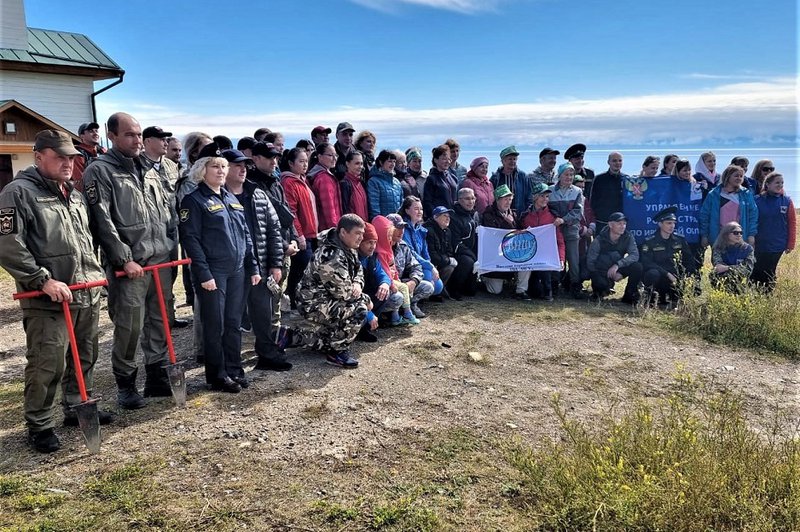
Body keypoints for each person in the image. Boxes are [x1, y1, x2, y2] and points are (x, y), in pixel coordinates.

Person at [0, 130, 113, 453]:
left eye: (71, 158)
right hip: (47, 298)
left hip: (84, 291)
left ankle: (77, 407)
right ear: (39, 157)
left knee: (85, 356)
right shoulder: (17, 193)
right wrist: (40, 280)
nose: (68, 163)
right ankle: (40, 424)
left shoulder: (73, 194)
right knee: (48, 362)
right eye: (60, 157)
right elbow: (8, 244)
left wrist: (94, 275)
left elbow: (84, 242)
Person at [82, 112, 175, 409]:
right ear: (112, 136)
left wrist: (169, 246)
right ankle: (126, 383)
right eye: (130, 135)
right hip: (131, 267)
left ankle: (157, 376)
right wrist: (123, 259)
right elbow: (102, 220)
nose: (136, 140)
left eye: (138, 134)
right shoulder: (101, 171)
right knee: (129, 326)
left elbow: (163, 211)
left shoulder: (147, 169)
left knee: (159, 320)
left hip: (158, 259)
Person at [179, 154, 260, 392]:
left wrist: (252, 266)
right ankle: (217, 375)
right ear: (202, 171)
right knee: (216, 325)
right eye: (215, 166)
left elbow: (245, 234)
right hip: (213, 271)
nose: (221, 171)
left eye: (224, 167)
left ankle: (234, 369)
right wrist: (203, 274)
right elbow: (191, 240)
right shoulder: (193, 201)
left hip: (237, 271)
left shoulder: (231, 197)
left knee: (233, 322)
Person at [222, 149, 290, 372]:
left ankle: (267, 355)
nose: (243, 169)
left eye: (245, 165)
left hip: (259, 266)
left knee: (263, 314)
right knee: (231, 319)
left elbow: (273, 229)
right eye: (236, 165)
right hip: (231, 270)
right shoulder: (215, 195)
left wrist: (275, 263)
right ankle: (231, 363)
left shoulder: (258, 193)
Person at [285, 214, 372, 368]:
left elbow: (359, 270)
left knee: (337, 325)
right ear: (344, 232)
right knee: (360, 310)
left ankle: (291, 337)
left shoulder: (347, 247)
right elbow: (344, 294)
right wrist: (365, 299)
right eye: (357, 233)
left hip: (328, 298)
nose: (361, 238)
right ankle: (336, 352)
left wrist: (358, 283)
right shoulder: (331, 255)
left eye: (362, 233)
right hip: (313, 303)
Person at [140, 126, 188, 329]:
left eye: (166, 138)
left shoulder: (170, 166)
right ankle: (158, 321)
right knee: (154, 283)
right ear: (147, 141)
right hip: (151, 231)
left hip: (171, 227)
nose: (165, 142)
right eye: (160, 139)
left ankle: (169, 315)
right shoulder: (138, 164)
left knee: (171, 275)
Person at [281, 148, 318, 309]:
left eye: (306, 161)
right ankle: (293, 300)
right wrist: (299, 235)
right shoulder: (289, 182)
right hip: (301, 235)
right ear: (291, 163)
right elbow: (292, 212)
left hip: (311, 232)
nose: (305, 164)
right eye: (301, 161)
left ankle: (293, 299)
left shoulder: (302, 180)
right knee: (302, 269)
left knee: (301, 269)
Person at [480, 185, 531, 299]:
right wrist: (507, 223)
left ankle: (521, 290)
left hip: (512, 252)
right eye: (505, 199)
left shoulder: (513, 214)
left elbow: (520, 232)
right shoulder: (488, 214)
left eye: (510, 199)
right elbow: (494, 235)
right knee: (496, 291)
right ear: (497, 200)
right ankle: (484, 277)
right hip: (495, 255)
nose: (508, 202)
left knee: (527, 260)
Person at [640, 206, 695, 307]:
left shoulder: (680, 240)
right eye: (668, 223)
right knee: (652, 273)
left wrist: (687, 276)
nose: (672, 226)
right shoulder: (650, 241)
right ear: (660, 224)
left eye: (674, 223)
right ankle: (650, 298)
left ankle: (672, 296)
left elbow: (689, 260)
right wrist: (666, 274)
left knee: (692, 288)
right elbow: (647, 263)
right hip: (660, 276)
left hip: (675, 277)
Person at [369, 217, 419, 326]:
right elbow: (385, 270)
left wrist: (412, 280)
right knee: (400, 292)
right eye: (388, 235)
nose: (401, 231)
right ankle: (407, 313)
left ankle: (397, 315)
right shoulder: (378, 251)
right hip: (385, 285)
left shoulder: (395, 247)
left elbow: (394, 267)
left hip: (394, 280)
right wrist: (391, 283)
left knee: (423, 286)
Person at [548, 163, 587, 299]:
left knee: (573, 259)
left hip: (571, 230)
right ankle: (555, 284)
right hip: (555, 231)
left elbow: (578, 212)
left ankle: (575, 286)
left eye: (571, 174)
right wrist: (555, 219)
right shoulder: (550, 190)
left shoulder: (577, 191)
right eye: (566, 174)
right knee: (557, 258)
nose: (569, 177)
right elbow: (547, 209)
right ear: (559, 175)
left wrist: (563, 220)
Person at [519, 183, 563, 301]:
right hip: (531, 256)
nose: (545, 199)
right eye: (542, 196)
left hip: (547, 257)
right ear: (535, 197)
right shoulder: (525, 216)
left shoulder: (553, 216)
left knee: (547, 289)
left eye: (547, 196)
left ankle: (549, 290)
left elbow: (560, 240)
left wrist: (561, 259)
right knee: (535, 291)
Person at [752, 172, 795, 291]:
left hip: (778, 244)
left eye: (782, 183)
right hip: (759, 243)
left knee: (770, 270)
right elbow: (752, 221)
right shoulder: (757, 200)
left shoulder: (787, 201)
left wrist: (790, 244)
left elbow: (792, 223)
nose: (780, 185)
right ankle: (753, 296)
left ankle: (767, 295)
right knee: (757, 270)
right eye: (777, 182)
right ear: (768, 184)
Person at [586, 212, 642, 304]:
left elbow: (634, 255)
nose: (622, 226)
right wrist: (599, 276)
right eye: (619, 223)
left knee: (637, 267)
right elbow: (591, 261)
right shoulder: (599, 240)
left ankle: (629, 294)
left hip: (617, 267)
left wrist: (618, 266)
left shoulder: (628, 237)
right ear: (610, 225)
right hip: (601, 270)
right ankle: (600, 289)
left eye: (624, 224)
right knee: (601, 286)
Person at [387, 213, 435, 317]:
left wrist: (413, 281)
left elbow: (416, 266)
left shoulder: (403, 246)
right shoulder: (380, 247)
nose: (401, 231)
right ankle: (388, 313)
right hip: (389, 286)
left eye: (403, 228)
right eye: (397, 228)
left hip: (402, 284)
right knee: (397, 297)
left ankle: (410, 306)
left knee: (428, 287)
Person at [699, 165, 758, 248]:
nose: (739, 178)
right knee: (719, 261)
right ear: (727, 176)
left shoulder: (746, 194)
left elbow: (753, 215)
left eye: (741, 176)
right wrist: (704, 235)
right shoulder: (714, 194)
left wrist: (751, 235)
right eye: (736, 175)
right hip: (718, 238)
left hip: (739, 238)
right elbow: (704, 215)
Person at [399, 195, 445, 301]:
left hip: (420, 265)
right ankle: (410, 303)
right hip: (408, 267)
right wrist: (429, 266)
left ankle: (417, 298)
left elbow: (425, 252)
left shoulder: (421, 230)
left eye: (421, 209)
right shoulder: (403, 229)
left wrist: (431, 266)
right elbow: (411, 253)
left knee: (438, 286)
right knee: (429, 279)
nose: (420, 212)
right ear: (406, 210)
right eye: (416, 209)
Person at [426, 206, 473, 300]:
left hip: (441, 261)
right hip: (430, 264)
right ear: (435, 217)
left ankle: (439, 291)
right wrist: (447, 260)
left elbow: (449, 251)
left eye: (449, 216)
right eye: (444, 215)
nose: (448, 218)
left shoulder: (448, 231)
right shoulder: (429, 231)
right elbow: (431, 254)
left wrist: (447, 259)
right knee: (449, 265)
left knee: (452, 265)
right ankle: (432, 292)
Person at [448, 188, 480, 298]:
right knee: (468, 261)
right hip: (457, 253)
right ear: (459, 200)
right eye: (467, 199)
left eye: (472, 198)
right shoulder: (453, 216)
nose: (470, 201)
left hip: (470, 252)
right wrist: (473, 256)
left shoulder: (474, 215)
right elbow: (455, 243)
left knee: (471, 292)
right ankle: (453, 289)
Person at [709, 222, 755, 293]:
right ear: (726, 234)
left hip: (741, 280)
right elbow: (718, 266)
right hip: (723, 279)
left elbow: (747, 269)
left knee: (733, 275)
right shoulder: (718, 248)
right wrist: (733, 268)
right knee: (714, 273)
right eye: (735, 233)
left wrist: (728, 268)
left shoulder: (748, 249)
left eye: (741, 233)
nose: (739, 235)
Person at [308, 142, 342, 232]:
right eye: (330, 155)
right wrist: (334, 230)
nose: (334, 158)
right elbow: (328, 208)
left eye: (336, 155)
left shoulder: (321, 174)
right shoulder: (324, 178)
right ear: (320, 157)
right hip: (328, 229)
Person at [589, 152, 627, 235]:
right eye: (614, 161)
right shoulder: (599, 179)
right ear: (608, 162)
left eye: (620, 161)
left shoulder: (626, 179)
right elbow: (592, 201)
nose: (617, 163)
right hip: (602, 221)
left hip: (620, 222)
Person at [491, 145, 531, 213]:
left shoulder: (523, 176)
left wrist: (527, 212)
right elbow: (492, 198)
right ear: (503, 161)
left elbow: (529, 196)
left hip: (520, 214)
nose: (512, 161)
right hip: (501, 216)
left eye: (514, 159)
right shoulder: (495, 178)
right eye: (510, 159)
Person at [423, 144, 458, 218]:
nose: (447, 161)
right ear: (436, 160)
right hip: (439, 219)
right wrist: (435, 217)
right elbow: (427, 202)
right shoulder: (431, 179)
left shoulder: (453, 177)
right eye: (444, 159)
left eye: (449, 159)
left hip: (453, 219)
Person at [368, 149, 404, 218]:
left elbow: (401, 204)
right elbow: (374, 206)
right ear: (381, 162)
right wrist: (379, 222)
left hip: (397, 223)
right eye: (390, 161)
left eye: (394, 161)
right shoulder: (373, 182)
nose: (393, 164)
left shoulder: (397, 182)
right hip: (382, 224)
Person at [72, 121, 107, 191]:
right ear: (82, 136)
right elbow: (80, 181)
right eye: (91, 131)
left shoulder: (103, 151)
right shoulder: (78, 154)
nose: (95, 133)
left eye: (96, 131)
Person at [340, 150, 369, 221]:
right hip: (353, 227)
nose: (360, 167)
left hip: (363, 226)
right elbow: (345, 209)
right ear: (347, 164)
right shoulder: (345, 184)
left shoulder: (361, 182)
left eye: (362, 163)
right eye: (357, 163)